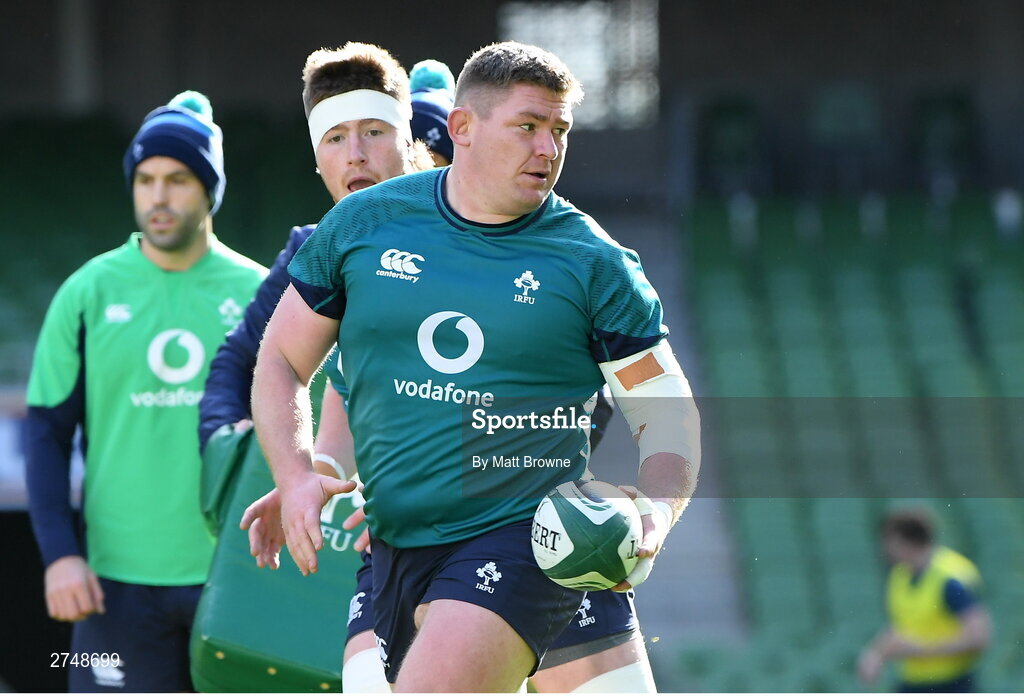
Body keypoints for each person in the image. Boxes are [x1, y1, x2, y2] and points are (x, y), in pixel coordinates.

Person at [249, 41, 701, 692]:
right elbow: (282, 359)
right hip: (395, 550)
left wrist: (656, 511)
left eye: (559, 131)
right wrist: (298, 474)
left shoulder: (592, 261)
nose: (548, 150)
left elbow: (664, 405)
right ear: (461, 127)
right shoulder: (362, 225)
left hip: (529, 539)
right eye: (528, 127)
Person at [23, 91, 267, 692]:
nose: (158, 196)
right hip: (117, 585)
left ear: (209, 189)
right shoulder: (87, 293)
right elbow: (46, 436)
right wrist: (60, 555)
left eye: (178, 179)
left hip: (236, 578)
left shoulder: (263, 292)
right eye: (146, 179)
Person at [858, 507, 992, 692]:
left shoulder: (951, 579)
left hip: (951, 684)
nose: (885, 547)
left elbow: (978, 638)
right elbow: (902, 626)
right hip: (912, 682)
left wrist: (921, 650)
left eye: (888, 539)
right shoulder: (900, 575)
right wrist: (875, 653)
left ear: (902, 541)